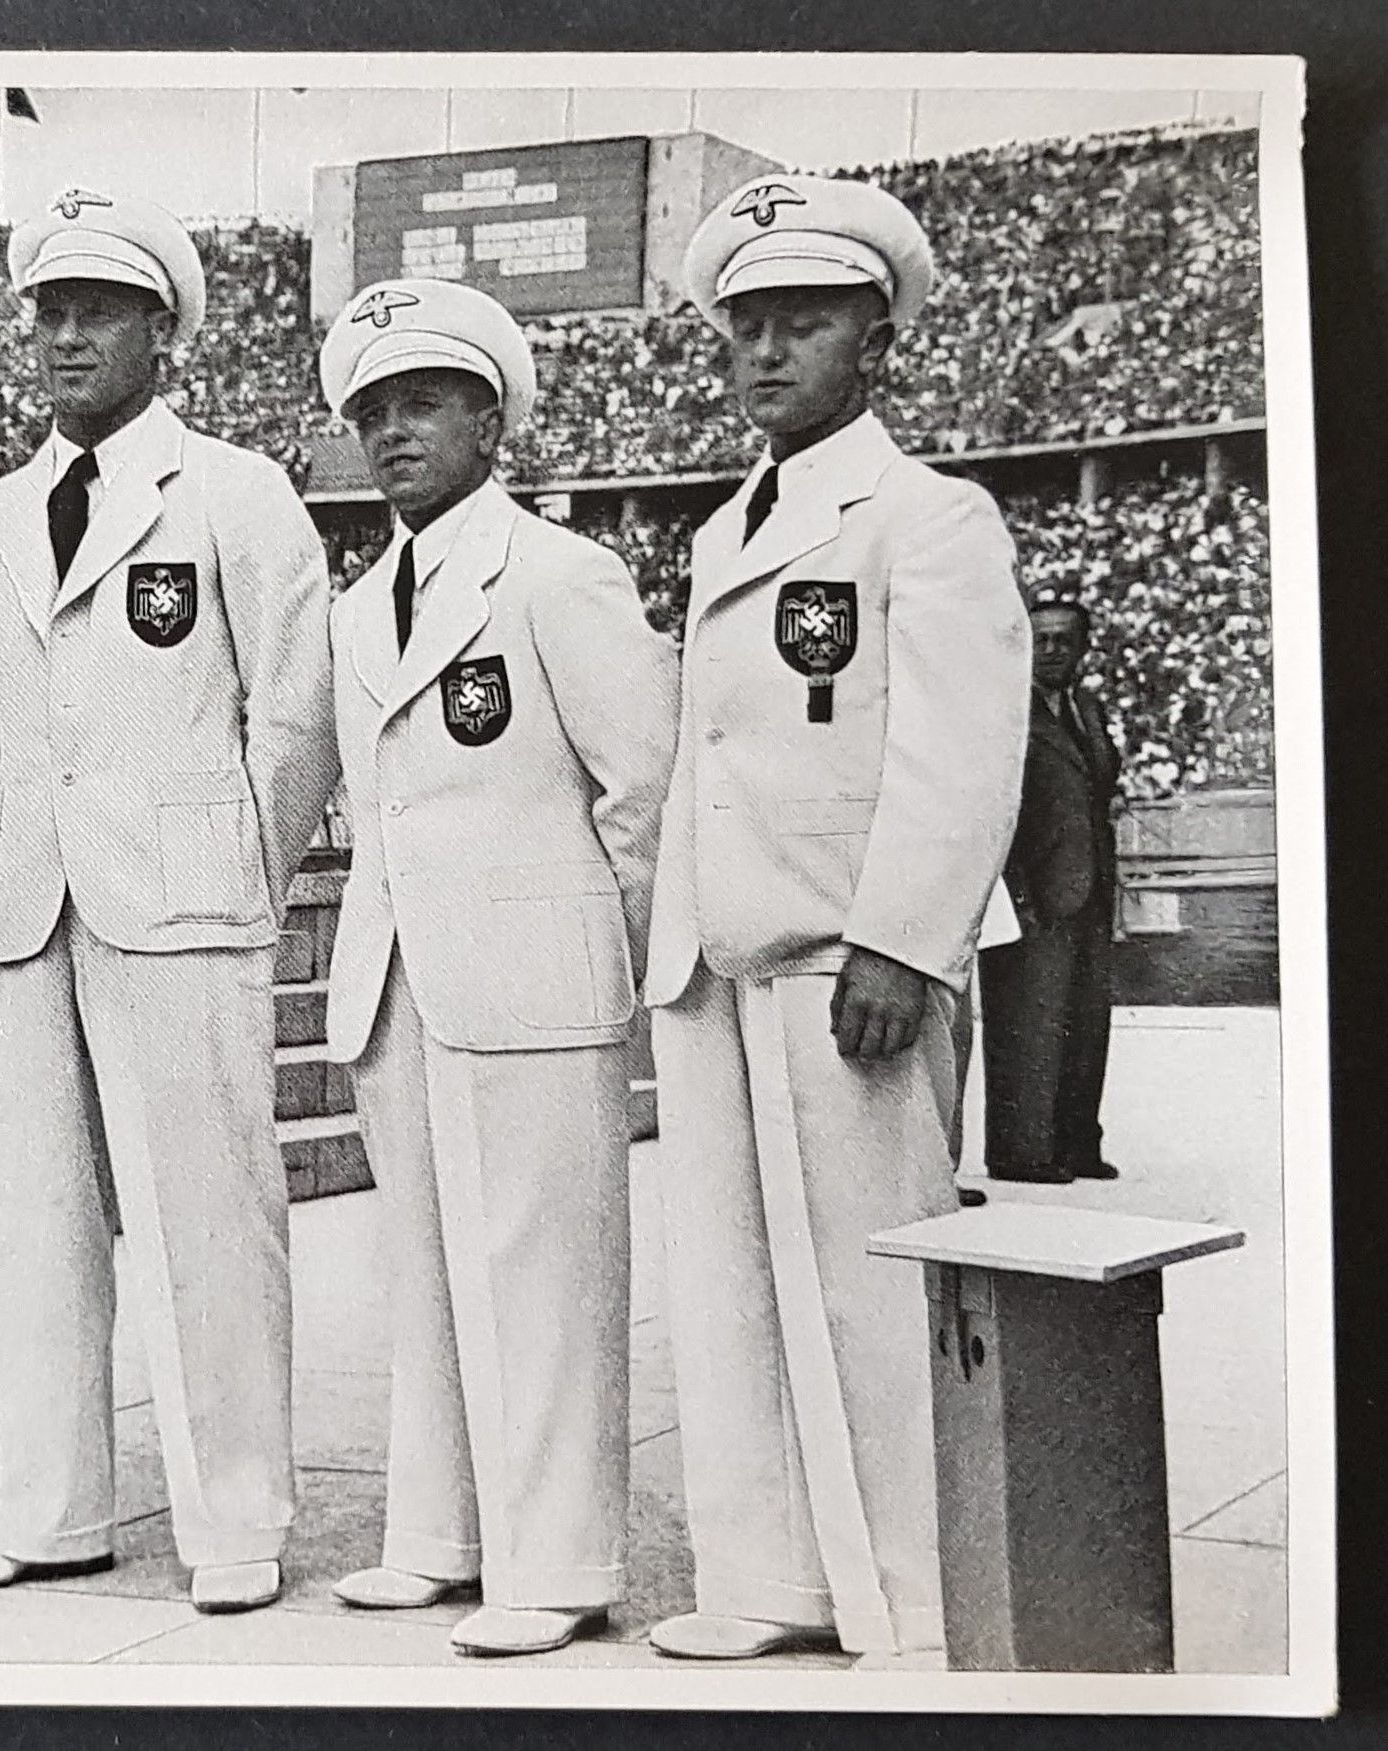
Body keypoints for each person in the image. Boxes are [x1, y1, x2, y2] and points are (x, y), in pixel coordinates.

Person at [0, 187, 336, 1615]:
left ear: (164, 327)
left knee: (205, 1215)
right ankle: (50, 1504)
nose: (68, 333)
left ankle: (235, 1515)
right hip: (35, 896)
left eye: (99, 308)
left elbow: (293, 715)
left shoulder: (234, 490)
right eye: (51, 308)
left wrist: (235, 867)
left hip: (186, 894)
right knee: (36, 1222)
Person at [642, 174, 1030, 1665]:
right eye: (742, 325)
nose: (760, 352)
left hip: (845, 958)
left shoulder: (927, 515)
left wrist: (899, 939)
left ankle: (917, 1596)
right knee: (730, 1298)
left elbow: (957, 749)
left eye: (799, 322)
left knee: (876, 1295)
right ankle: (768, 1579)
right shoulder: (724, 521)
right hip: (723, 954)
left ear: (876, 338)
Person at [315, 279, 678, 1657]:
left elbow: (637, 788)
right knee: (425, 1268)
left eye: (420, 404)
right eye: (371, 412)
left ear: (489, 419)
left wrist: (610, 958)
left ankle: (560, 1557)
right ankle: (439, 1534)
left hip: (534, 973)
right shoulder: (360, 604)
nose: (392, 432)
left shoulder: (555, 573)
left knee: (544, 1274)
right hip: (398, 968)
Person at [981, 587, 1123, 1184]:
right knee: (1027, 1025)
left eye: (1066, 640)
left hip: (1088, 892)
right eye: (1042, 640)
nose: (1052, 651)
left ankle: (1075, 1144)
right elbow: (992, 808)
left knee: (1086, 1024)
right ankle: (1021, 1152)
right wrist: (1011, 892)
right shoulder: (1003, 710)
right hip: (1030, 892)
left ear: (1085, 648)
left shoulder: (1086, 709)